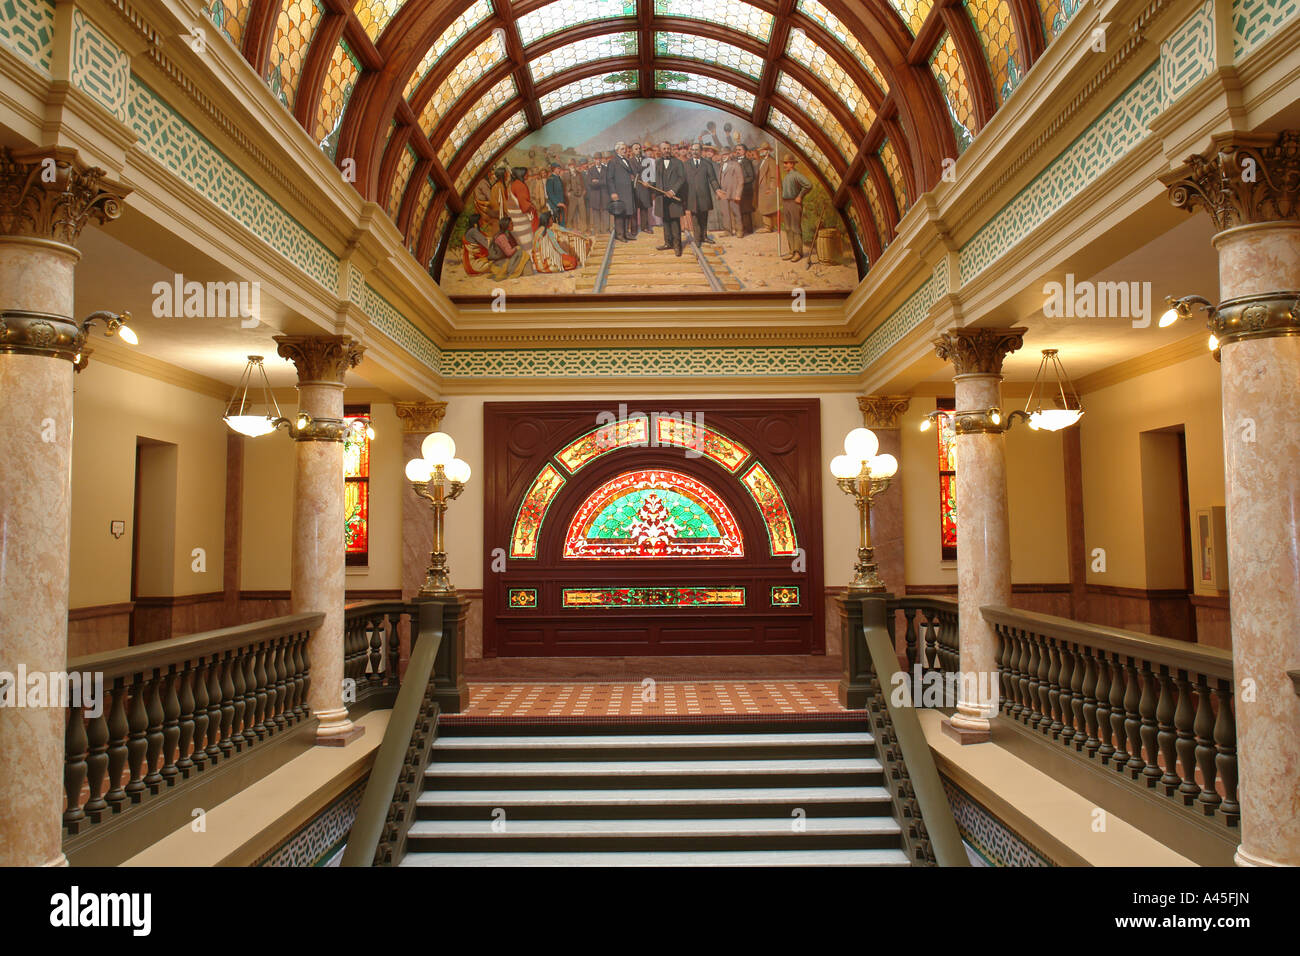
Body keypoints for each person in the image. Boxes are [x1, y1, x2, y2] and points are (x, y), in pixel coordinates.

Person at [653, 139, 687, 256]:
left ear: (671, 149)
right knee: (665, 220)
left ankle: (677, 246)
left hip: (674, 197)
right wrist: (649, 184)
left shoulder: (678, 163)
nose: (666, 151)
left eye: (668, 148)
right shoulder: (656, 163)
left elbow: (682, 178)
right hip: (661, 197)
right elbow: (654, 179)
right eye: (664, 149)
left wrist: (673, 191)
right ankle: (668, 243)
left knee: (675, 221)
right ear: (660, 150)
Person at [683, 142, 719, 245]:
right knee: (695, 218)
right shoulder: (686, 165)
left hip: (704, 195)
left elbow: (713, 179)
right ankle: (697, 239)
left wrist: (717, 189)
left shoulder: (707, 164)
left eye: (696, 150)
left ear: (701, 151)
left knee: (704, 217)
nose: (694, 152)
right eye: (693, 150)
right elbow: (682, 181)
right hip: (692, 196)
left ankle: (704, 237)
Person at [780, 156, 813, 262]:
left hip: (794, 204)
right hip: (786, 203)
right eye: (784, 163)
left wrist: (800, 196)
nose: (784, 165)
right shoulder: (787, 176)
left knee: (795, 228)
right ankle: (792, 251)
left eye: (786, 163)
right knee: (788, 228)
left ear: (792, 164)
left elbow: (808, 185)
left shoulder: (796, 175)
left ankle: (798, 252)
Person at [605, 141, 638, 242]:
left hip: (628, 191)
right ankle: (619, 235)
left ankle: (626, 233)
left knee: (627, 212)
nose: (625, 151)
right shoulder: (613, 162)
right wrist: (613, 192)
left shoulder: (626, 160)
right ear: (617, 150)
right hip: (619, 192)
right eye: (622, 149)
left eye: (625, 149)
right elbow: (609, 179)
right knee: (619, 214)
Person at [507, 166, 537, 253]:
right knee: (526, 241)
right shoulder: (520, 185)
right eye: (526, 173)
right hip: (520, 218)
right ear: (522, 175)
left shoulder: (514, 183)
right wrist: (532, 207)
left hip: (514, 217)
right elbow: (524, 205)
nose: (528, 175)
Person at [717, 146, 744, 237]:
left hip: (733, 193)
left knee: (736, 212)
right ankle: (727, 231)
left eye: (725, 154)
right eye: (722, 154)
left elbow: (740, 180)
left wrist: (738, 194)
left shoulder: (735, 164)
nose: (724, 156)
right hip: (723, 194)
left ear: (729, 155)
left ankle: (739, 230)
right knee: (725, 213)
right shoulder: (721, 166)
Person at [757, 143, 779, 233]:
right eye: (761, 150)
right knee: (763, 207)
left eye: (764, 150)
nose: (761, 151)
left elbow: (774, 177)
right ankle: (766, 226)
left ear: (768, 151)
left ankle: (768, 227)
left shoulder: (771, 161)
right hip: (762, 189)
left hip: (767, 189)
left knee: (768, 208)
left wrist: (771, 188)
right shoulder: (763, 161)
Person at [586, 153, 609, 233]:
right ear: (594, 160)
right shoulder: (590, 170)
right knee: (596, 213)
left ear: (601, 159)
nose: (598, 161)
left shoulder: (606, 169)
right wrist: (601, 182)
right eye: (596, 159)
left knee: (605, 212)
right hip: (595, 196)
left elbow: (608, 181)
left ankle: (606, 230)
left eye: (599, 159)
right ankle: (597, 231)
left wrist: (597, 181)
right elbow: (590, 183)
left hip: (605, 195)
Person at [738, 144, 756, 236]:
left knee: (746, 210)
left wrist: (741, 181)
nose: (738, 151)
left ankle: (749, 230)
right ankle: (743, 228)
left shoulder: (747, 162)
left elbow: (751, 177)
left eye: (740, 150)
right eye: (737, 150)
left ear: (744, 151)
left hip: (746, 189)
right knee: (740, 209)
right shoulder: (735, 161)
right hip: (738, 190)